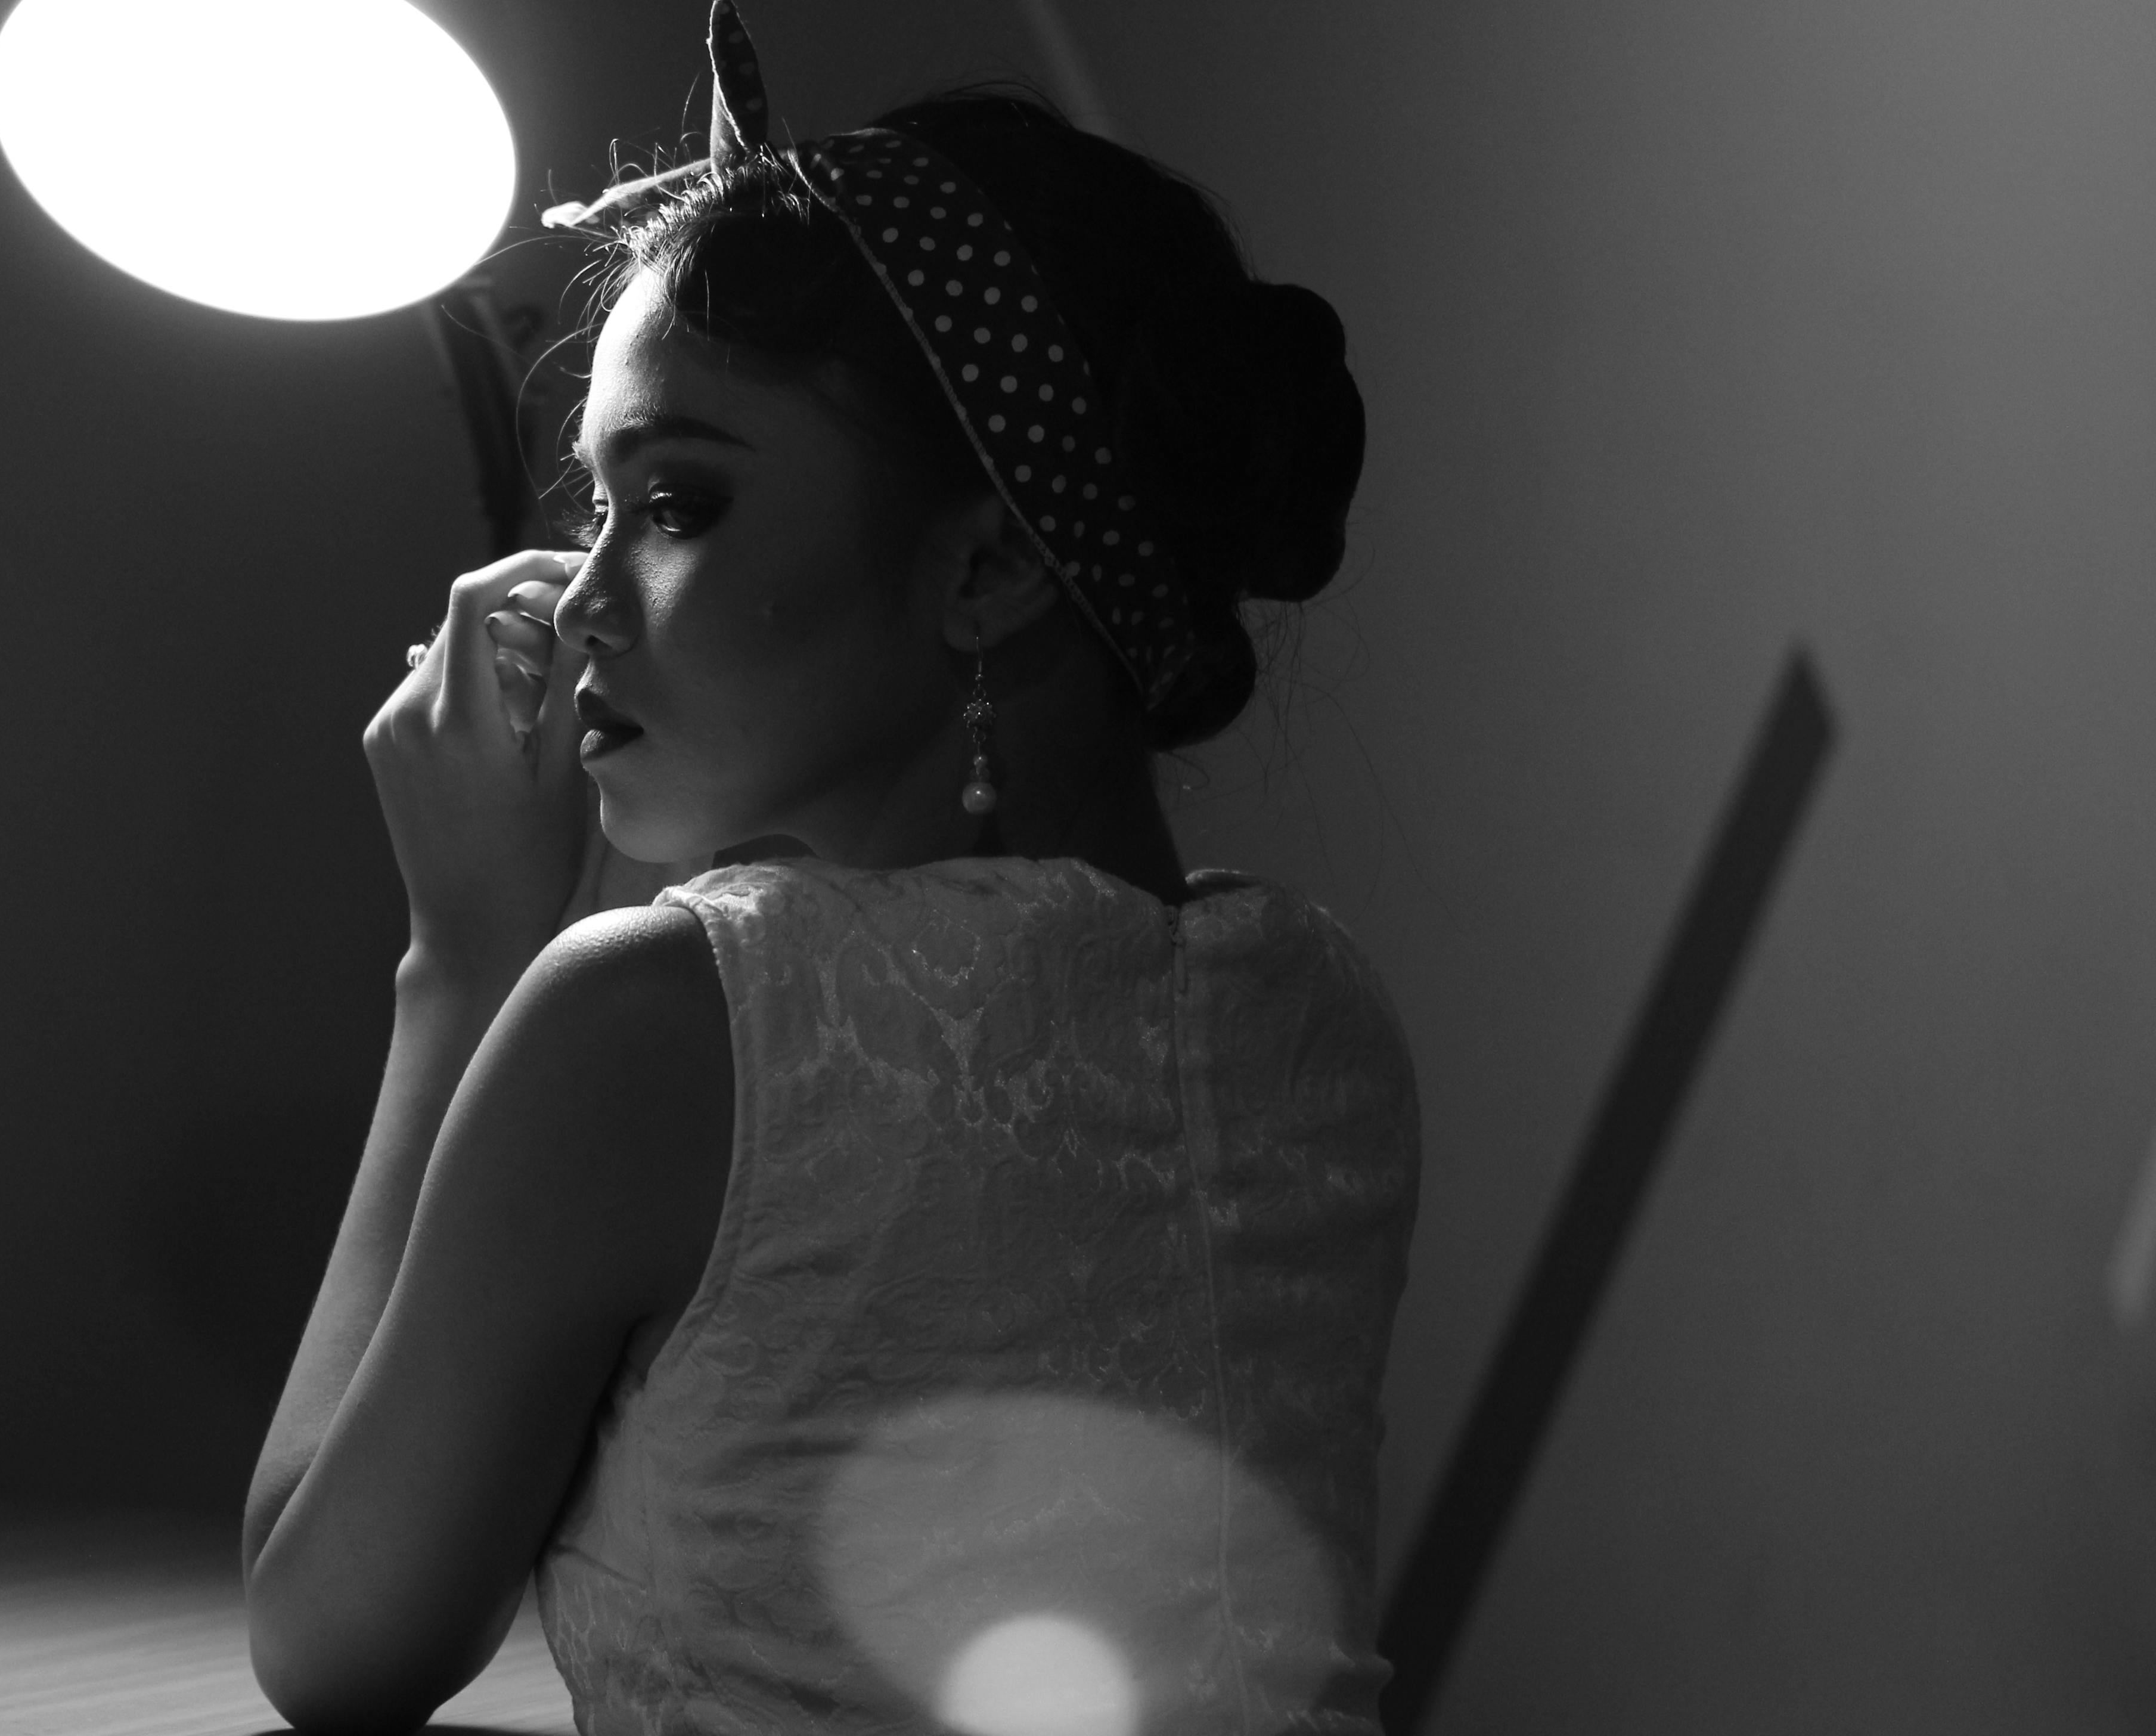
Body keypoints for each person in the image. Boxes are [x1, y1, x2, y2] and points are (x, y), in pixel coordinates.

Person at [241, 10, 1416, 1732]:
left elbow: (327, 1641)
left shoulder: (663, 1022)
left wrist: (465, 957)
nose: (581, 601)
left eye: (676, 505)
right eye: (592, 510)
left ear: (989, 565)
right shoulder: (1316, 1016)